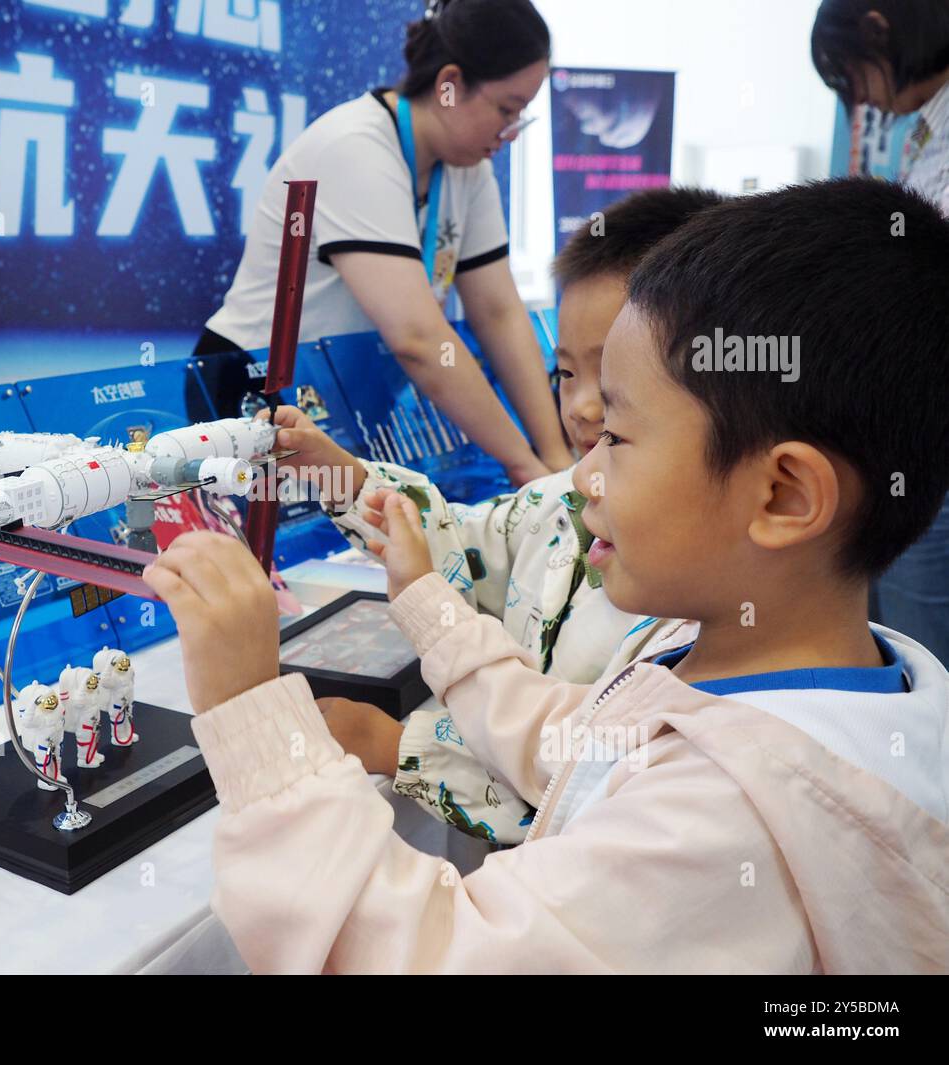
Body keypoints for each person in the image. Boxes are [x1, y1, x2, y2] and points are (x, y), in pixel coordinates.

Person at [144, 178, 949, 973]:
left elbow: (423, 957)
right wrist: (425, 602)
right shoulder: (755, 664)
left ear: (782, 495)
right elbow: (571, 737)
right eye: (570, 380)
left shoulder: (718, 818)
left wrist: (251, 713)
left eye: (621, 437)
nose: (584, 474)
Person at [265, 187, 727, 845]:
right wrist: (336, 472)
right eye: (566, 373)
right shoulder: (560, 497)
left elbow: (572, 770)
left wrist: (398, 744)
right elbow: (456, 538)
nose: (585, 408)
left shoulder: (691, 604)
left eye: (616, 379)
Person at [197, 0, 574, 484]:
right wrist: (524, 466)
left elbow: (498, 312)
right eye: (507, 109)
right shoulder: (355, 147)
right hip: (254, 391)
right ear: (450, 85)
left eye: (521, 114)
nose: (511, 133)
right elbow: (417, 339)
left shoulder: (468, 171)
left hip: (339, 404)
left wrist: (555, 460)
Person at [812, 0, 949, 665]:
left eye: (850, 75)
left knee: (922, 642)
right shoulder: (928, 122)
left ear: (877, 29)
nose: (862, 99)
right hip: (918, 414)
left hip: (928, 418)